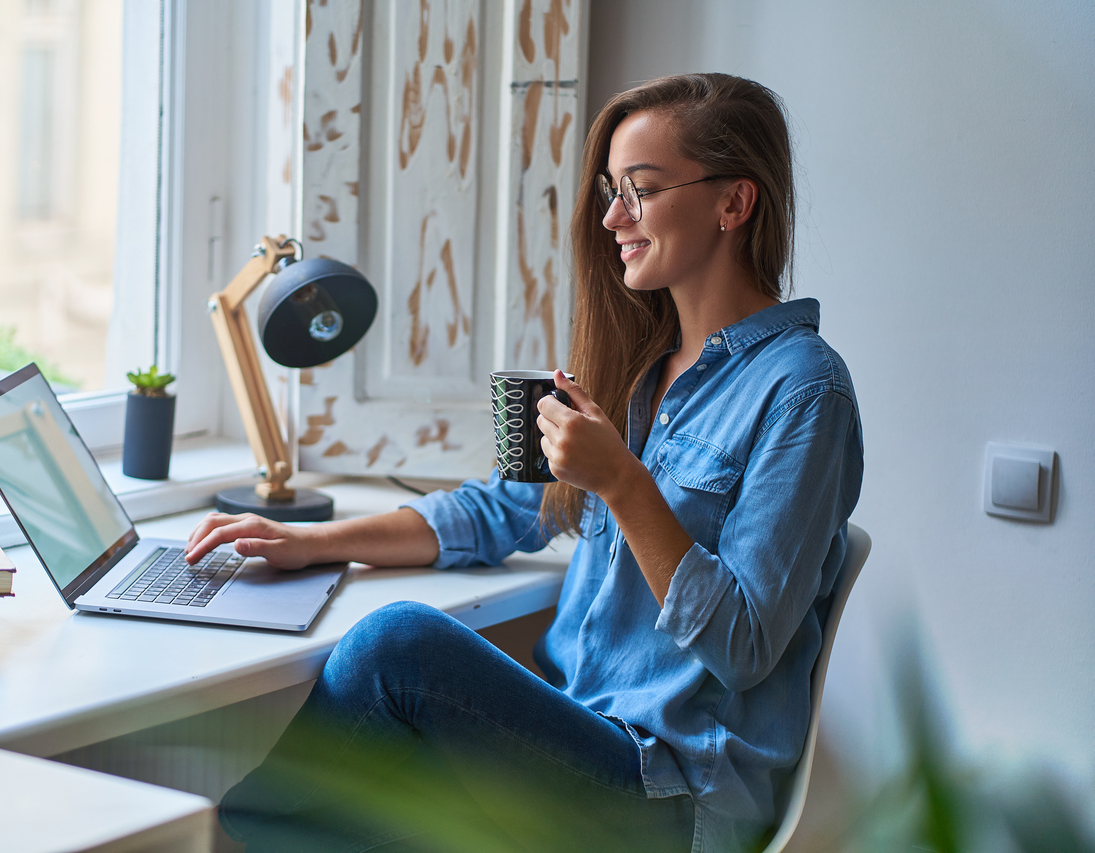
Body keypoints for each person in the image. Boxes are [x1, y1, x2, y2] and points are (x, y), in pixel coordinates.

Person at [191, 73, 863, 852]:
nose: (613, 217)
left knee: (398, 647)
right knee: (377, 788)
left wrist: (622, 481)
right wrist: (312, 541)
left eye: (641, 190)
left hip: (671, 793)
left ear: (734, 203)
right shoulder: (639, 369)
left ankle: (223, 842)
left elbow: (743, 645)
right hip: (577, 739)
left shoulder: (804, 389)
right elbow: (496, 511)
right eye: (611, 190)